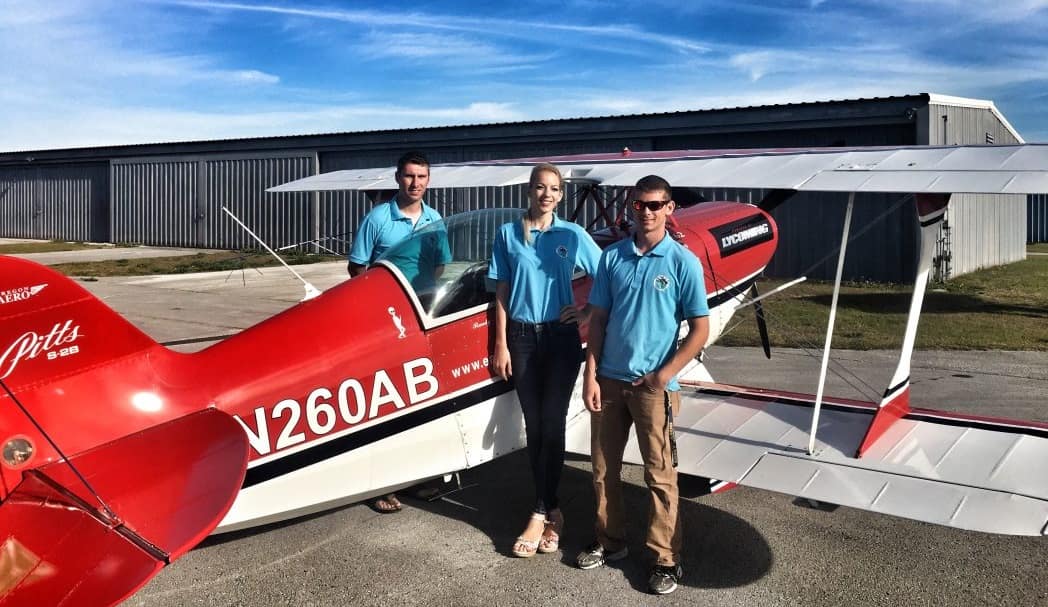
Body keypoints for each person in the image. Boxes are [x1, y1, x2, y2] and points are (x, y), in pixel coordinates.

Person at [575, 175, 710, 595]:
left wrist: (664, 375)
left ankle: (666, 559)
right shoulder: (612, 258)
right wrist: (590, 373)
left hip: (654, 388)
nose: (646, 212)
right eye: (639, 205)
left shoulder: (682, 261)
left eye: (655, 205)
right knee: (602, 471)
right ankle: (609, 540)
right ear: (630, 208)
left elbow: (699, 328)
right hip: (610, 382)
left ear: (670, 208)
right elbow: (597, 320)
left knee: (660, 475)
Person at [488, 163, 602, 557]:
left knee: (552, 425)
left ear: (561, 195)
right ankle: (553, 511)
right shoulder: (507, 234)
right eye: (540, 187)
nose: (546, 194)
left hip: (560, 337)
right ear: (529, 191)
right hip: (520, 338)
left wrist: (586, 313)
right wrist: (500, 343)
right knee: (534, 428)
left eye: (554, 189)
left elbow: (606, 274)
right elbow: (502, 290)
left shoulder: (572, 234)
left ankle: (538, 512)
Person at [347, 150, 444, 513]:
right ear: (397, 178)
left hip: (420, 324)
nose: (414, 183)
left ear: (428, 180)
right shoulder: (377, 218)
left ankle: (416, 477)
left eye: (421, 176)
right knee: (382, 403)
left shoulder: (435, 220)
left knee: (418, 398)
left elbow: (439, 269)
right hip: (383, 327)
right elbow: (356, 268)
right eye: (408, 176)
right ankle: (378, 483)